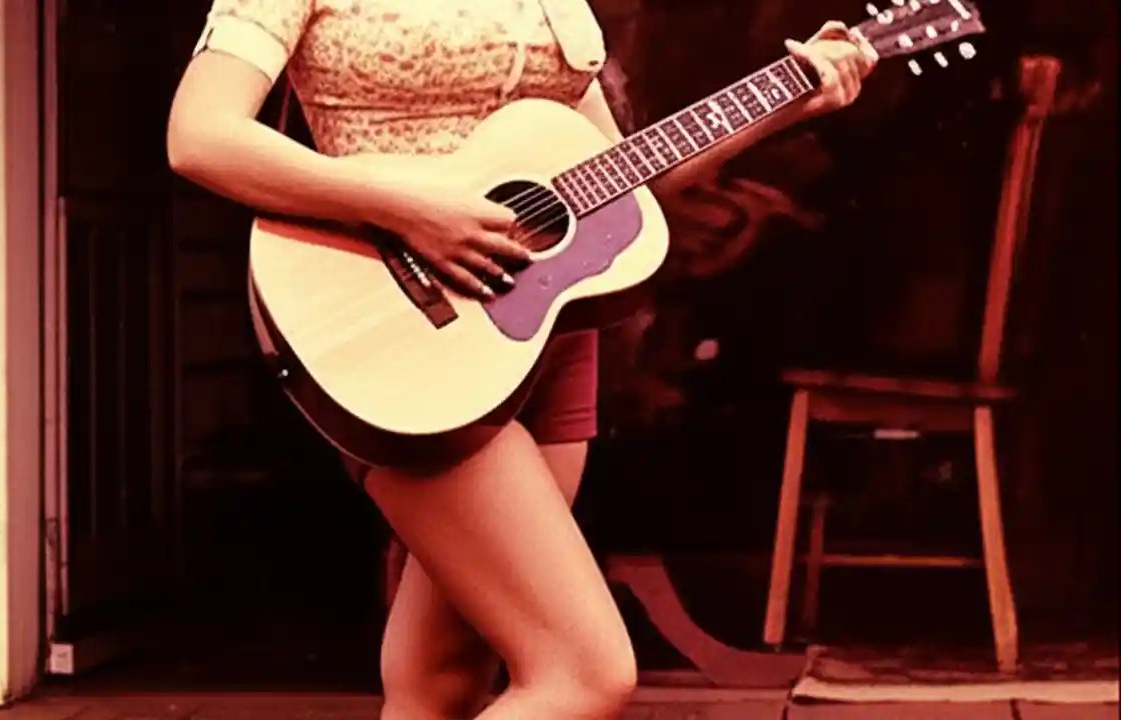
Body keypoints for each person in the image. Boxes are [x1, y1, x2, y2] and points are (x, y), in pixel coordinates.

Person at [167, 2, 876, 717]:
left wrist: (789, 99)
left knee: (440, 676)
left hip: (544, 328)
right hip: (403, 331)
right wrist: (406, 205)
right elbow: (200, 137)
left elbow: (618, 175)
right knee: (585, 672)